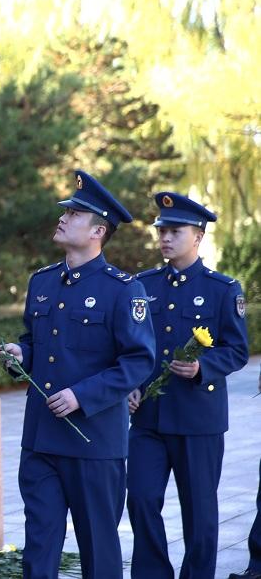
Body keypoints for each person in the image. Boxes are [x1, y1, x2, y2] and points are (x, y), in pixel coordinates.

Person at [0, 170, 156, 579]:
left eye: (75, 213)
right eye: (65, 210)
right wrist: (20, 354)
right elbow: (36, 342)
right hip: (41, 441)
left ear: (98, 230)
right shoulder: (43, 282)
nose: (64, 217)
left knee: (99, 550)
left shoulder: (123, 289)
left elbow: (139, 361)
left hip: (94, 442)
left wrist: (83, 395)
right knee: (39, 547)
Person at [127, 192, 249, 578]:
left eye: (174, 231)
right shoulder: (142, 285)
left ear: (197, 236)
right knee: (142, 500)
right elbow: (131, 346)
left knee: (199, 510)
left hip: (199, 418)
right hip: (148, 418)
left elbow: (237, 350)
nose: (164, 237)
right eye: (161, 230)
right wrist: (129, 384)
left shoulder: (222, 289)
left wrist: (202, 368)